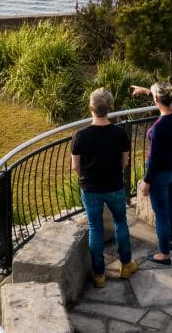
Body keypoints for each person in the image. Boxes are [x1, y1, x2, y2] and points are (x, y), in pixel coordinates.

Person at [70, 88, 137, 287]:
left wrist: (86, 178)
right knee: (120, 222)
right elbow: (124, 162)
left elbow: (75, 167)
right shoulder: (119, 134)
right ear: (110, 108)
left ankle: (99, 275)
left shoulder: (80, 136)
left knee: (95, 228)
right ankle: (126, 265)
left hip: (91, 189)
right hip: (114, 186)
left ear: (90, 108)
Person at [132, 81, 172, 265]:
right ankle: (168, 241)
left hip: (161, 175)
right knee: (169, 205)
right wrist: (148, 91)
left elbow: (154, 160)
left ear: (156, 100)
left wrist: (147, 181)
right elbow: (166, 102)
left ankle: (164, 253)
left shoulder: (159, 128)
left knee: (161, 213)